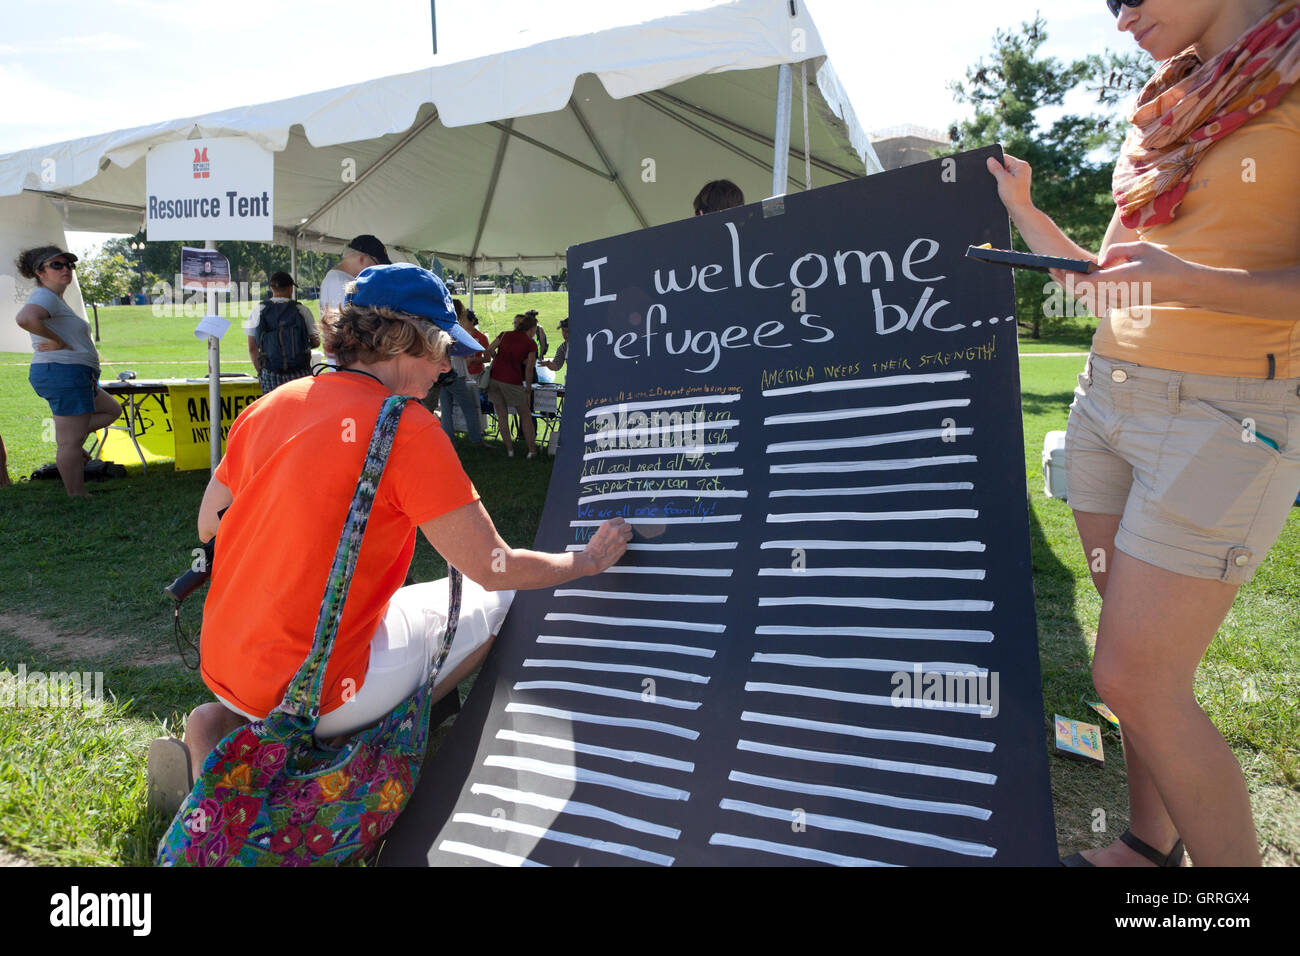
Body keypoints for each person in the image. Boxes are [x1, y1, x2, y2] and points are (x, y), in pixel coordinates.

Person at [986, 0, 1300, 867]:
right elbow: (1107, 285)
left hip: (1225, 421)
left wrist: (1189, 283)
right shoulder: (1167, 105)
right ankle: (1144, 844)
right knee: (1137, 677)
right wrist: (1023, 209)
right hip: (1104, 407)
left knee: (1133, 677)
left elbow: (1173, 281)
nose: (1122, 18)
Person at [146, 263, 631, 817]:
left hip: (229, 662)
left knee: (395, 608)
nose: (449, 366)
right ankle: (340, 762)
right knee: (500, 605)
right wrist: (585, 561)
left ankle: (218, 750)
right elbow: (495, 567)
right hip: (319, 687)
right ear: (406, 340)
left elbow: (209, 526)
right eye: (443, 348)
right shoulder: (407, 427)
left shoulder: (273, 404)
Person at [13, 246, 122, 498]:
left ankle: (71, 440)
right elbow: (25, 318)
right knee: (70, 442)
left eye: (69, 265)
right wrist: (58, 341)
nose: (66, 270)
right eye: (57, 265)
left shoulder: (53, 298)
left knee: (112, 410)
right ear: (39, 272)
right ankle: (77, 493)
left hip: (73, 374)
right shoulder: (45, 296)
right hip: (63, 372)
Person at [318, 235, 391, 364]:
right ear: (362, 258)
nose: (378, 269)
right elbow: (346, 327)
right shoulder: (342, 282)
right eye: (377, 264)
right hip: (347, 361)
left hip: (346, 359)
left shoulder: (342, 279)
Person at [245, 271, 320, 394]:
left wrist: (260, 372)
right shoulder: (302, 310)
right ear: (291, 288)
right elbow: (316, 342)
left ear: (271, 288)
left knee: (274, 411)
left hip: (271, 373)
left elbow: (252, 348)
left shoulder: (258, 310)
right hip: (299, 372)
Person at [485, 312, 540, 458]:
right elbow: (529, 369)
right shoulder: (531, 344)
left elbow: (489, 350)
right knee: (525, 415)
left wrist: (498, 359)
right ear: (532, 329)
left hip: (494, 377)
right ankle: (532, 450)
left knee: (502, 415)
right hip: (512, 380)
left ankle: (509, 450)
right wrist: (528, 389)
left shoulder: (504, 334)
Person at [438, 298, 486, 445]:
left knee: (446, 410)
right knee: (469, 408)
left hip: (441, 373)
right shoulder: (454, 328)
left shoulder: (441, 326)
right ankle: (476, 439)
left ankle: (448, 440)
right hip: (455, 373)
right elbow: (462, 350)